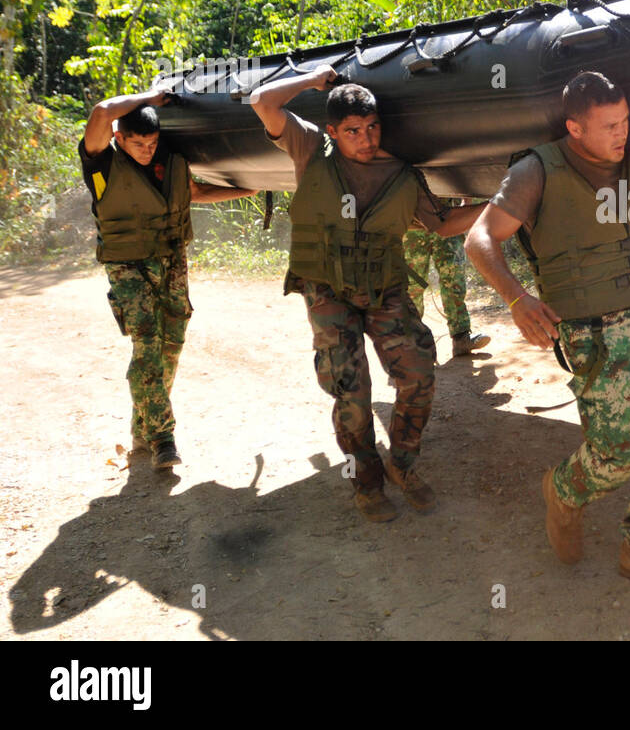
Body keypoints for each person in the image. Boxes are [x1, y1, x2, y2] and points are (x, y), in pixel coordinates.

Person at [466, 70, 630, 597]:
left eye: (624, 122)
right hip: (593, 331)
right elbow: (479, 238)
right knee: (622, 448)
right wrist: (516, 297)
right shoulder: (538, 171)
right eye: (608, 126)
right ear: (575, 127)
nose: (621, 134)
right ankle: (563, 491)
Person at [248, 66, 483, 522]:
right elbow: (262, 102)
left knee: (419, 373)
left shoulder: (400, 172)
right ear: (334, 131)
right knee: (351, 392)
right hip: (327, 290)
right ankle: (366, 482)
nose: (366, 138)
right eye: (353, 131)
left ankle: (402, 463)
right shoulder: (311, 149)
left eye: (373, 127)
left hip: (383, 287)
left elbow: (442, 223)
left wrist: (502, 202)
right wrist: (314, 78)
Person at [80, 87, 256, 470]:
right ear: (118, 138)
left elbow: (193, 193)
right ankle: (163, 437)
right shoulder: (100, 165)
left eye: (152, 141)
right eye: (138, 143)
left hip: (172, 260)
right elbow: (101, 111)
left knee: (170, 348)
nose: (146, 149)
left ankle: (141, 427)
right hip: (128, 265)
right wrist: (149, 98)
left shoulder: (170, 160)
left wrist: (250, 187)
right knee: (147, 344)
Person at [404, 218, 490, 356]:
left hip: (449, 220)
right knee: (412, 286)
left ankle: (461, 337)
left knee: (454, 279)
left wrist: (465, 204)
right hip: (412, 225)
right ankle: (412, 342)